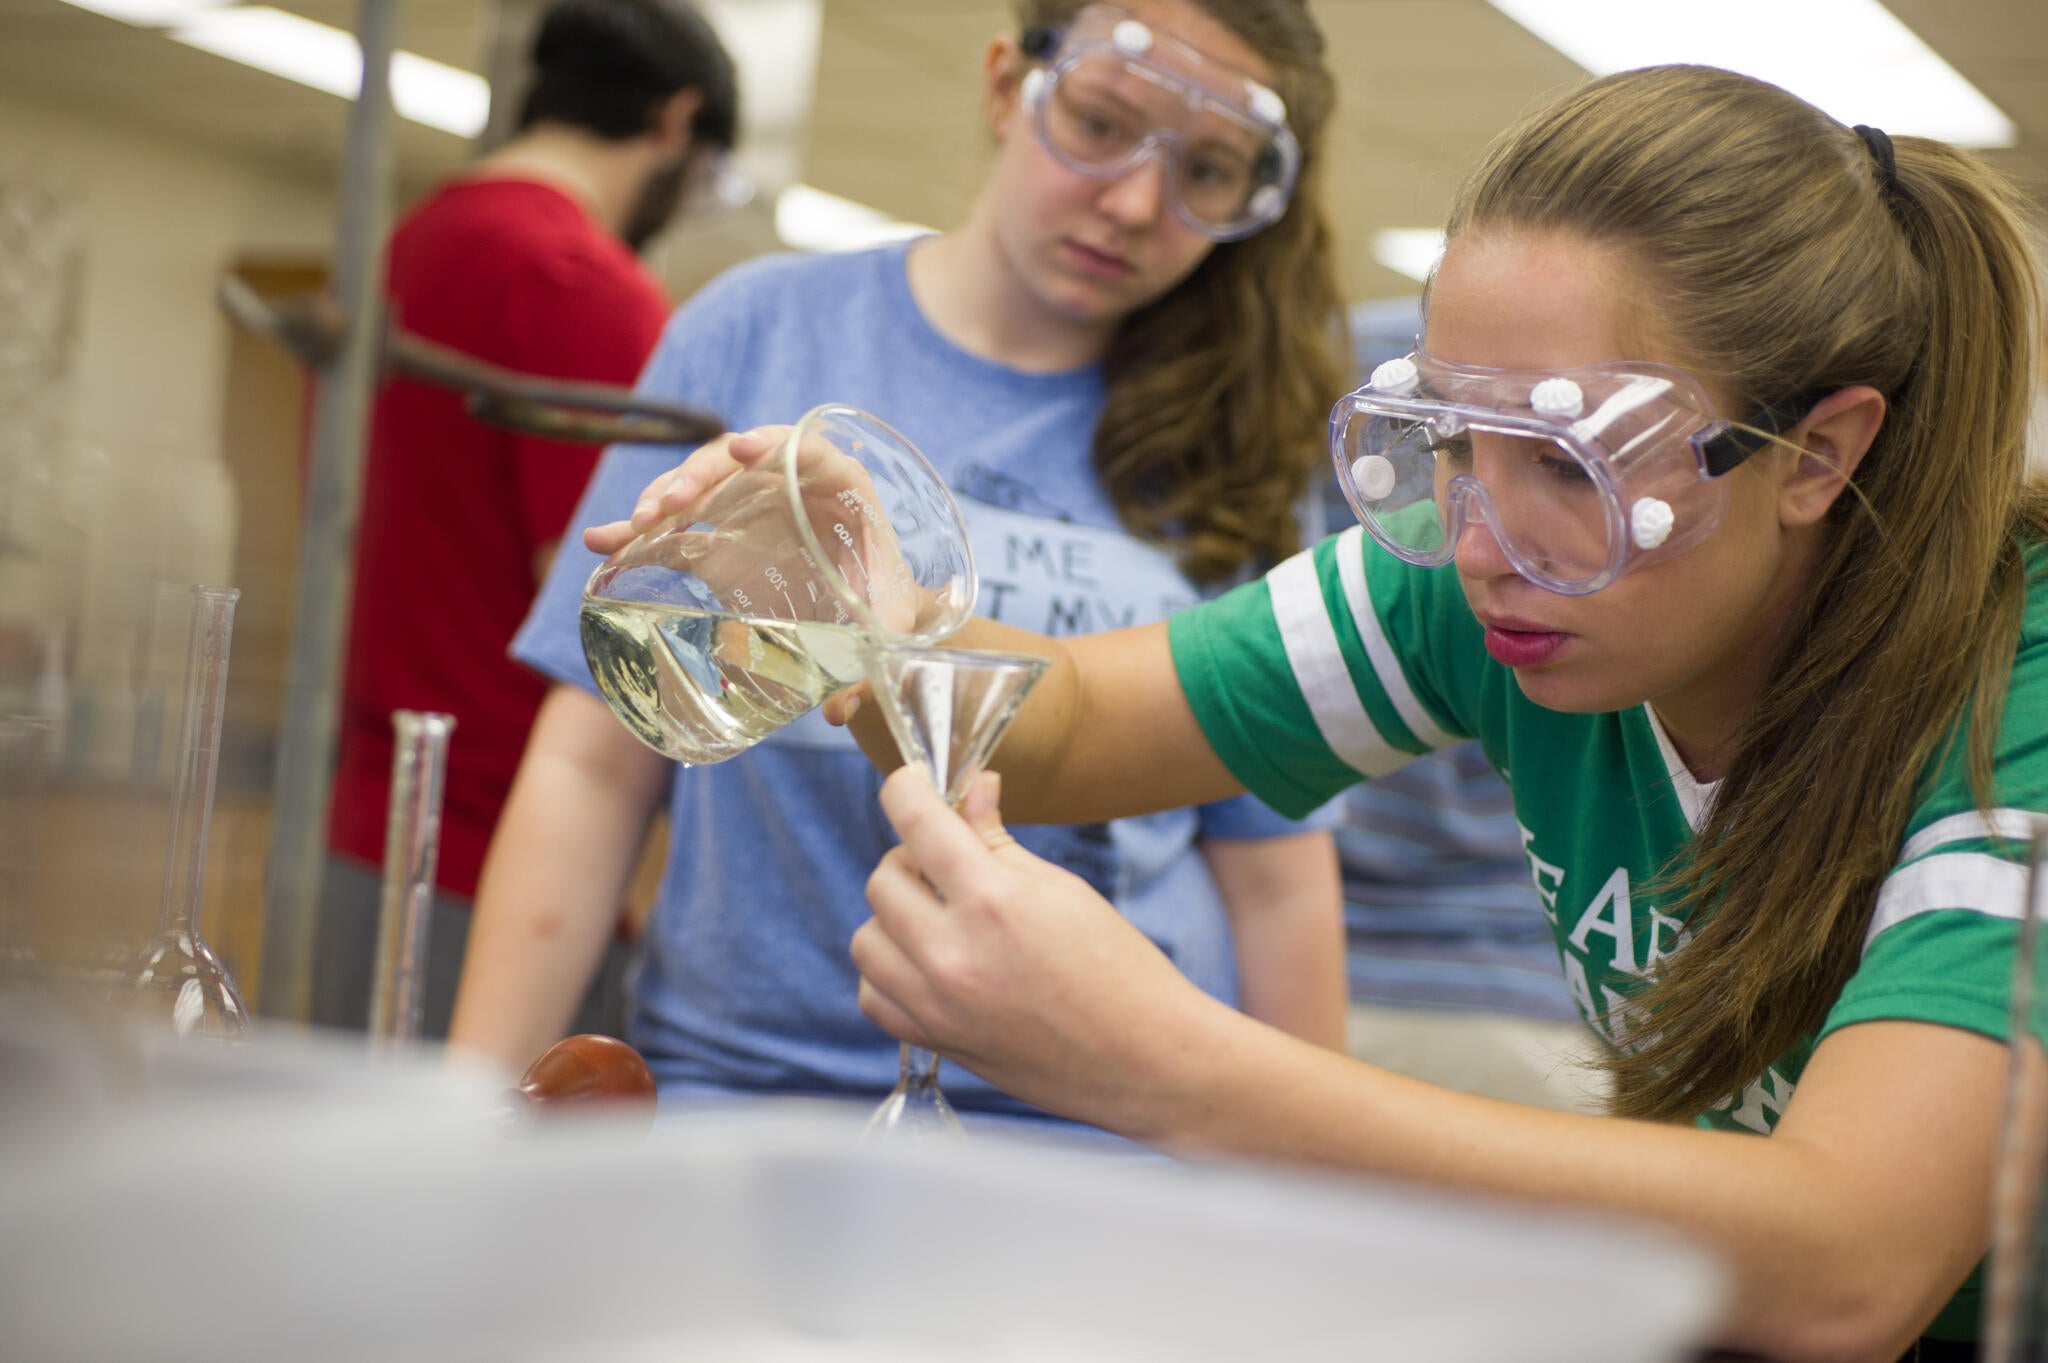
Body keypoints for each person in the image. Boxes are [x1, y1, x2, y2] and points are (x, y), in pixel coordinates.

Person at [607, 64, 2043, 1358]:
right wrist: (871, 606)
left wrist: (1159, 1061)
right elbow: (1071, 725)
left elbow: (1849, 1268)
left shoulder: (2013, 689)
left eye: (1568, 463)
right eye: (1453, 442)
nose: (1478, 539)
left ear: (1816, 453)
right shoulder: (1496, 587)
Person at [448, 0, 1351, 1126]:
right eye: (1100, 124)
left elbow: (1273, 870)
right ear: (1004, 87)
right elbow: (592, 765)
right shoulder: (760, 332)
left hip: (1100, 1126)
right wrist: (469, 1111)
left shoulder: (1237, 434)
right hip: (747, 1096)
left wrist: (1305, 1188)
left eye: (1206, 172)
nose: (1131, 202)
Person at [312, 0, 739, 1038]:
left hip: (368, 820)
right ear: (677, 124)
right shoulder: (584, 286)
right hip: (506, 864)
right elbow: (616, 627)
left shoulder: (404, 248)